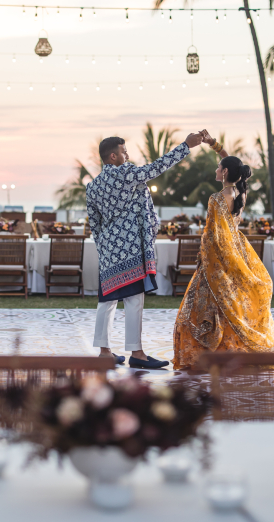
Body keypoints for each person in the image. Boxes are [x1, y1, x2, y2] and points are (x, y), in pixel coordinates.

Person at [86, 132, 204, 369]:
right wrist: (185, 146)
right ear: (113, 156)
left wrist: (106, 249)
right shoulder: (127, 174)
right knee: (134, 300)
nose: (127, 156)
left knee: (106, 301)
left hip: (109, 250)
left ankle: (104, 352)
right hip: (131, 249)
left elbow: (94, 224)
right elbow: (157, 167)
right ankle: (137, 354)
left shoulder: (93, 186)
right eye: (124, 152)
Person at [173, 132, 274, 370]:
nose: (216, 170)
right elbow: (231, 161)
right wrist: (213, 144)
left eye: (219, 168)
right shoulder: (241, 191)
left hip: (220, 254)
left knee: (206, 305)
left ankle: (210, 355)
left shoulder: (217, 198)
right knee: (234, 300)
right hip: (237, 248)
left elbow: (212, 234)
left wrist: (204, 259)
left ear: (226, 173)